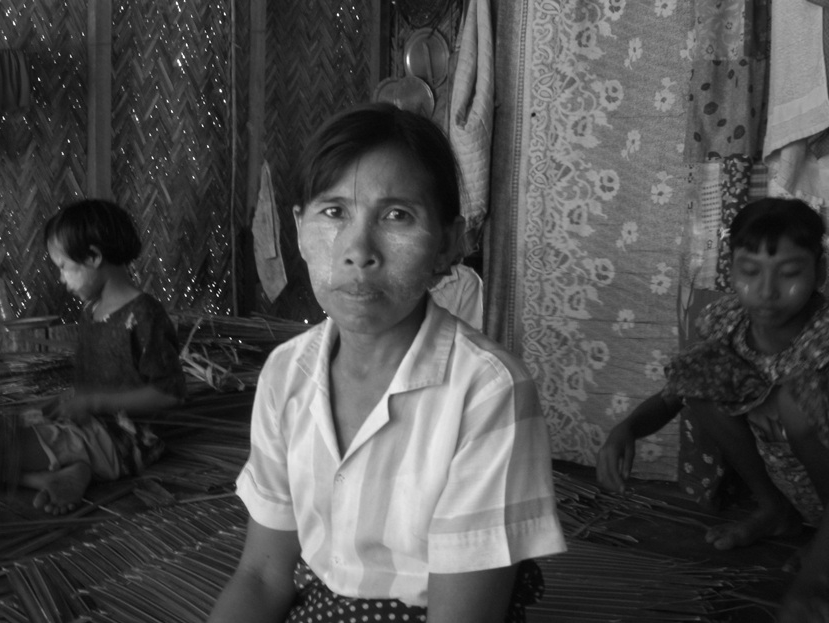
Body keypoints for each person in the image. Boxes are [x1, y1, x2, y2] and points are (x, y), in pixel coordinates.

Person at [207, 103, 566, 623]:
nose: (358, 250)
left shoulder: (487, 393)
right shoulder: (286, 375)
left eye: (397, 215)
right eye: (333, 213)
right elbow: (262, 577)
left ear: (448, 244)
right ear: (299, 230)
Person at [596, 197, 829, 623]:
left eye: (791, 273)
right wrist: (626, 428)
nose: (767, 291)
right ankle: (773, 511)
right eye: (750, 272)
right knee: (700, 382)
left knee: (797, 403)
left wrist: (811, 587)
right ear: (731, 268)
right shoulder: (729, 321)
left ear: (821, 270)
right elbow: (676, 393)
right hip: (791, 484)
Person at [0, 199, 186, 515]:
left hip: (128, 440)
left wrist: (94, 402)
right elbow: (98, 380)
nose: (62, 279)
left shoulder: (144, 316)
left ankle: (67, 468)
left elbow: (169, 394)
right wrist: (72, 400)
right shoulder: (92, 311)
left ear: (93, 256)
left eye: (64, 267)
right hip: (87, 425)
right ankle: (64, 471)